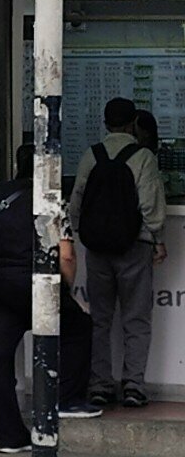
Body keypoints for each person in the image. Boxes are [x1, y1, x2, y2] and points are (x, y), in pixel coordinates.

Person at [0, 144, 100, 455]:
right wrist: (66, 290)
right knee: (77, 328)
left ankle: (10, 437)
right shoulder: (50, 197)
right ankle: (65, 399)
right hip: (40, 287)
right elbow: (67, 254)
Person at [70, 97, 167, 409]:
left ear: (105, 122)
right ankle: (134, 386)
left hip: (97, 250)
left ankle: (99, 385)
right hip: (134, 246)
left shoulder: (90, 155)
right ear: (132, 123)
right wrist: (156, 237)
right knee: (136, 318)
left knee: (100, 318)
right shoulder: (142, 158)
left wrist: (80, 233)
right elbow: (151, 205)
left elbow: (77, 202)